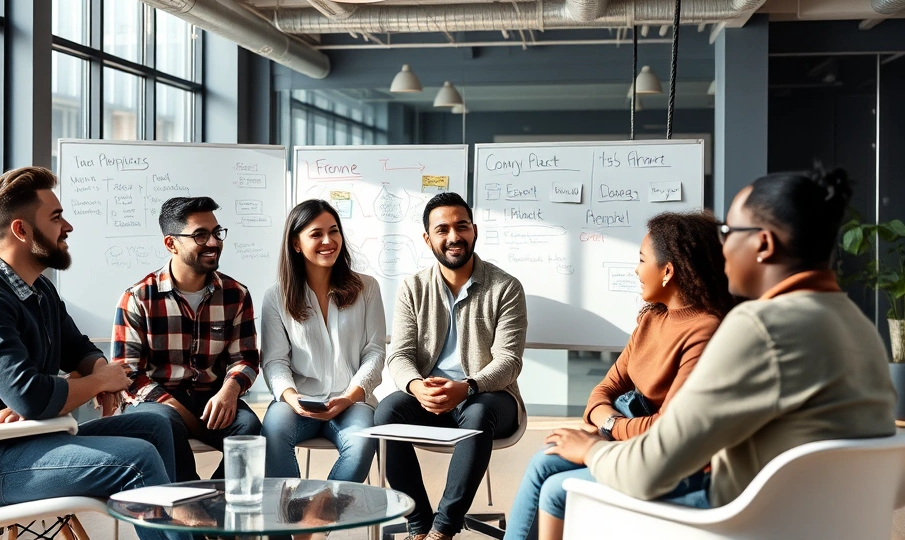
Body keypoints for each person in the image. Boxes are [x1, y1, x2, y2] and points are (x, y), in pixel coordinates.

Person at [546, 166, 896, 516]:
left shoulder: (759, 327)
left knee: (557, 491)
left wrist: (590, 449)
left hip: (743, 520)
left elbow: (648, 470)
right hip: (825, 519)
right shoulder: (859, 326)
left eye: (728, 231)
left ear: (763, 243)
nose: (722, 247)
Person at [0, 167, 188, 540]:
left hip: (35, 440)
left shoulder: (38, 289)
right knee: (138, 459)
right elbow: (32, 398)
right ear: (21, 230)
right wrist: (98, 380)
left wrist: (94, 375)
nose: (67, 227)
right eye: (55, 218)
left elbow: (78, 349)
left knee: (157, 424)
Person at [505, 211, 734, 540]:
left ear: (668, 272)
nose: (636, 270)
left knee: (557, 487)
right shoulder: (653, 318)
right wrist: (607, 425)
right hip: (630, 437)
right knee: (543, 461)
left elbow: (667, 431)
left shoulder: (705, 330)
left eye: (642, 260)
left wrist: (609, 429)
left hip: (664, 459)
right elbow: (604, 389)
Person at [375, 192, 527, 540]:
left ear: (474, 231)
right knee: (385, 414)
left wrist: (467, 386)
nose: (453, 236)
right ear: (428, 239)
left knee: (477, 414)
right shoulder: (413, 288)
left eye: (461, 227)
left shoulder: (505, 287)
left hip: (488, 396)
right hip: (430, 395)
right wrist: (415, 386)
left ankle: (442, 528)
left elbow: (509, 361)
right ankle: (418, 523)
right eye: (442, 229)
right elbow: (399, 355)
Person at [111, 196, 262, 481]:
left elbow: (245, 358)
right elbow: (127, 372)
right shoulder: (138, 297)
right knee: (165, 424)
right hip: (158, 401)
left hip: (212, 397)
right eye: (200, 235)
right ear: (171, 243)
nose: (214, 242)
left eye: (217, 233)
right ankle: (188, 508)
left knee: (249, 428)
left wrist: (229, 391)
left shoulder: (236, 294)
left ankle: (214, 505)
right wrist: (177, 409)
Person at [260, 199, 384, 482]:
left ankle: (320, 518)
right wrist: (292, 398)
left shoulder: (367, 288)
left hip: (352, 402)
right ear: (296, 243)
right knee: (273, 431)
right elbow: (275, 361)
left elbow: (375, 352)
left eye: (334, 231)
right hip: (298, 402)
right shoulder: (275, 297)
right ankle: (291, 520)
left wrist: (351, 395)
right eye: (316, 234)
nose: (328, 241)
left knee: (363, 442)